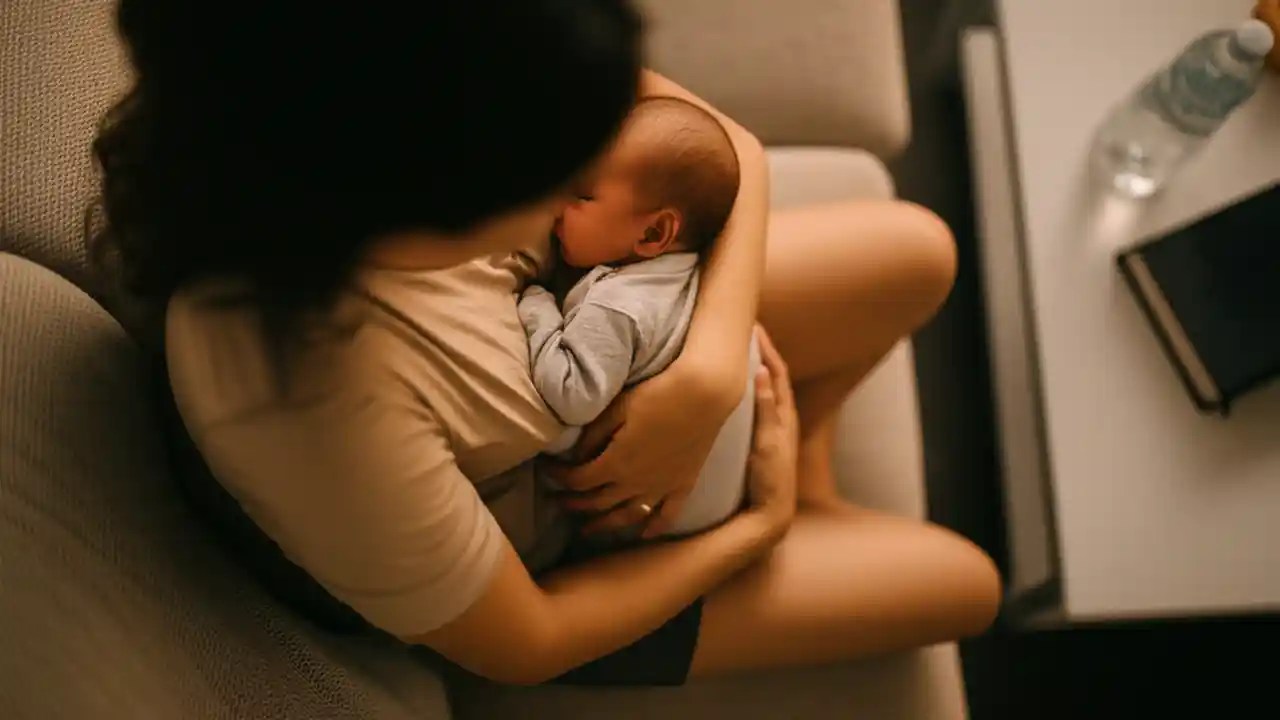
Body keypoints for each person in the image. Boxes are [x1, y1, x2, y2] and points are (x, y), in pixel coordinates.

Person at [96, 1, 1000, 687]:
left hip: (597, 348)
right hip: (551, 556)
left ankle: (809, 459)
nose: (579, 183)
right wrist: (753, 535)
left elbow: (731, 146)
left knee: (920, 251)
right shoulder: (313, 405)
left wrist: (710, 376)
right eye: (563, 179)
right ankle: (796, 500)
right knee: (967, 586)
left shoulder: (421, 59)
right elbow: (524, 643)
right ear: (442, 197)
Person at [519, 95, 755, 537]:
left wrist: (535, 304)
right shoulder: (684, 265)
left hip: (675, 509)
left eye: (581, 195)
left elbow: (572, 395)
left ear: (654, 233)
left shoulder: (619, 305)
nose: (556, 205)